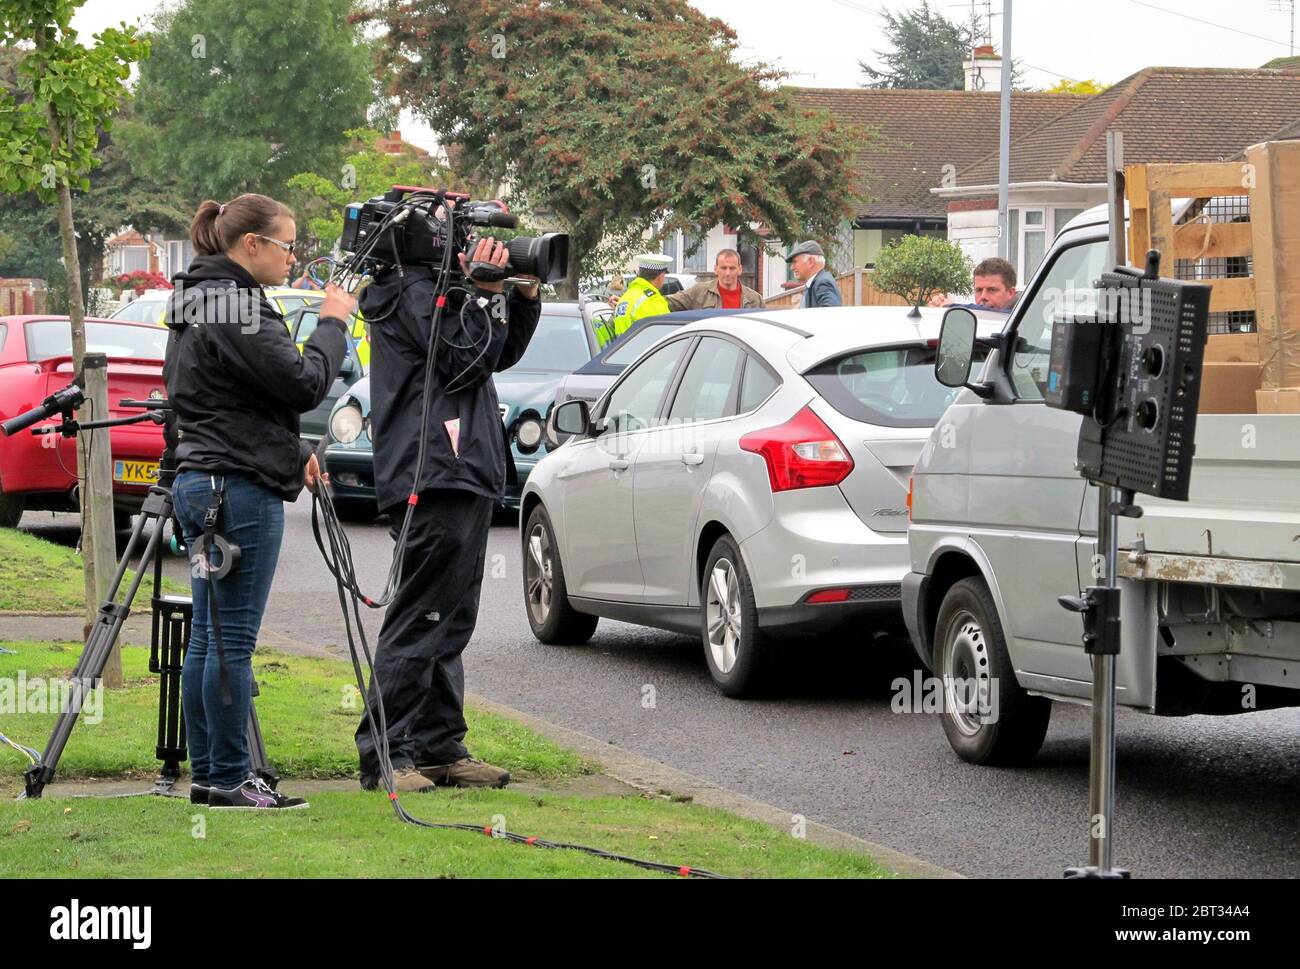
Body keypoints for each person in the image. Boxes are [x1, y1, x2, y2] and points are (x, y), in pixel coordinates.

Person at [164, 193, 357, 810]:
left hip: (203, 483)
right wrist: (332, 323)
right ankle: (226, 778)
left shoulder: (196, 295)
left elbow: (224, 398)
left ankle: (212, 774)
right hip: (234, 491)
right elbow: (302, 383)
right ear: (252, 245)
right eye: (287, 244)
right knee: (230, 641)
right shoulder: (237, 303)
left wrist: (282, 449)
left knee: (208, 637)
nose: (293, 256)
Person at [354, 235, 542, 793]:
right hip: (434, 471)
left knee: (451, 620)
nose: (461, 243)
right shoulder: (410, 293)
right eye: (452, 232)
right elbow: (465, 360)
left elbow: (495, 354)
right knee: (422, 616)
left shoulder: (438, 292)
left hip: (463, 469)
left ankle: (439, 747)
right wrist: (483, 292)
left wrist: (520, 295)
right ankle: (386, 754)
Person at [606, 254, 673, 345]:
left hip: (623, 354)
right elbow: (668, 336)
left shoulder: (626, 298)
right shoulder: (654, 301)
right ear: (660, 277)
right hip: (648, 356)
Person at [666, 249, 762, 311]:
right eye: (723, 268)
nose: (728, 273)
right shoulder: (699, 292)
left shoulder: (755, 299)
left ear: (740, 269)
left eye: (732, 268)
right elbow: (666, 303)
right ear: (716, 269)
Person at [785, 240, 841, 307]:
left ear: (811, 262)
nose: (792, 268)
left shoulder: (823, 283)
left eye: (795, 262)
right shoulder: (815, 283)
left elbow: (831, 313)